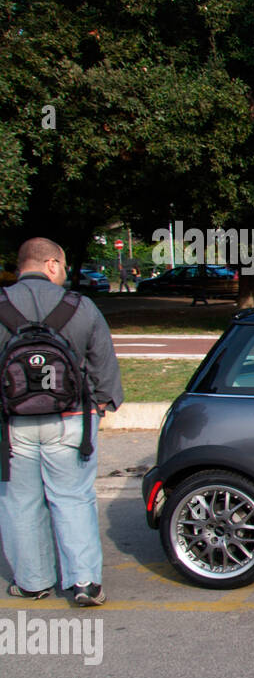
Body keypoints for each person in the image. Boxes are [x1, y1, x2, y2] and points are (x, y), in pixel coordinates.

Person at [0, 237, 123, 605]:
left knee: (19, 501)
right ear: (51, 264)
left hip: (12, 425)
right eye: (64, 266)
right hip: (72, 419)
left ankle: (33, 581)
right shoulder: (81, 306)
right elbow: (103, 361)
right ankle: (85, 583)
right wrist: (102, 402)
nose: (66, 273)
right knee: (73, 498)